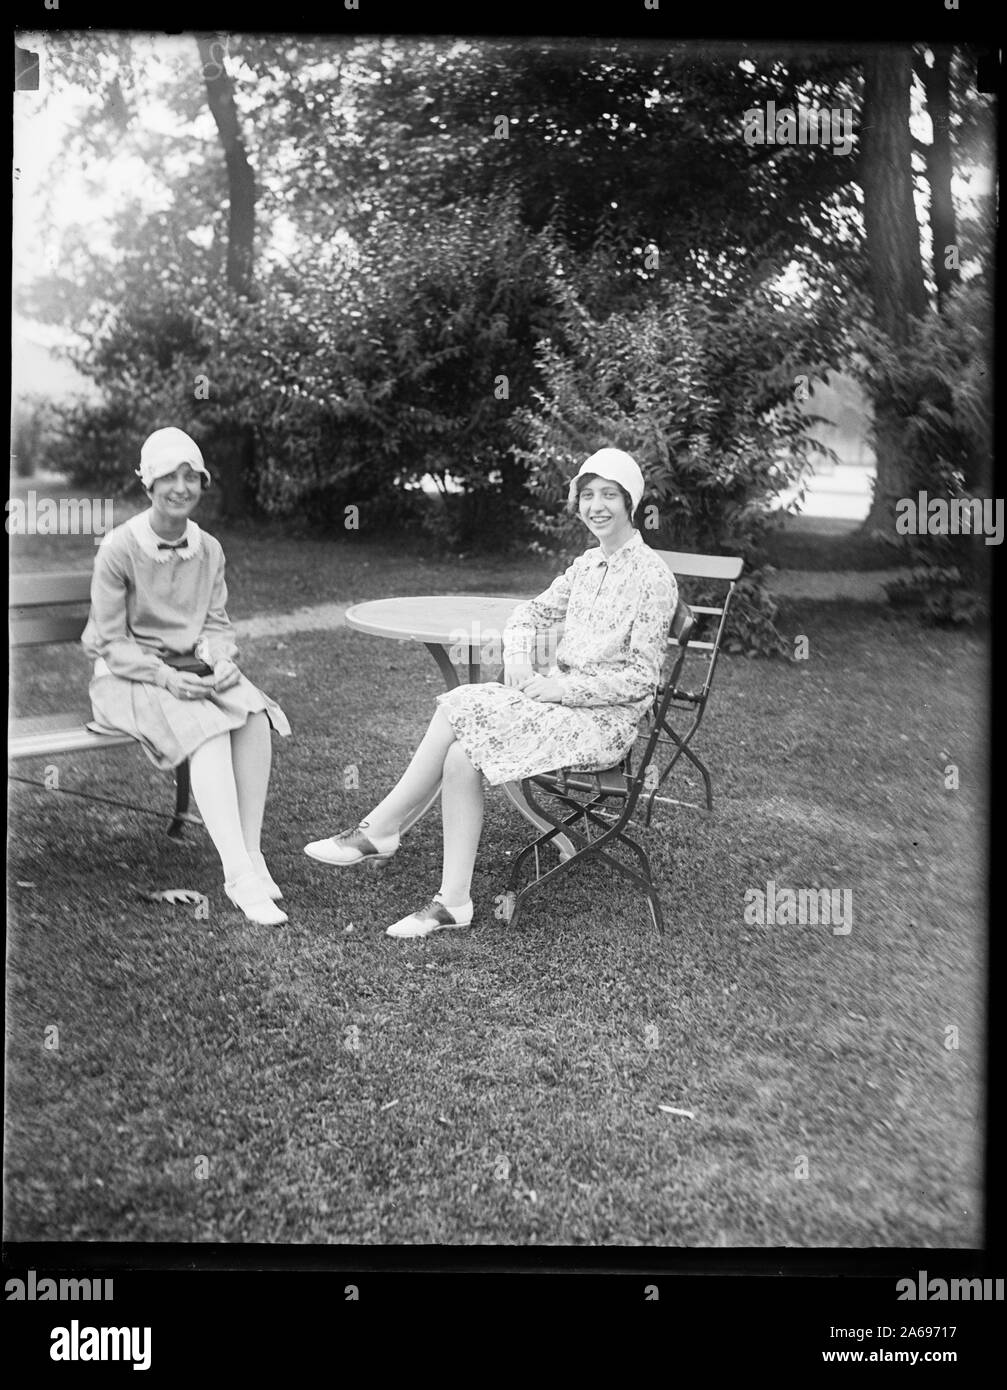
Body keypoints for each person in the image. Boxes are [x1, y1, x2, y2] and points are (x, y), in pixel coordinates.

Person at [304, 448, 678, 939]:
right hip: (556, 707)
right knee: (461, 754)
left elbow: (642, 681)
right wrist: (520, 658)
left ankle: (380, 830)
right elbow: (528, 615)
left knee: (459, 705)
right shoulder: (588, 565)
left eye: (609, 495)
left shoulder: (653, 578)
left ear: (630, 501)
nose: (597, 506)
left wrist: (563, 687)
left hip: (603, 724)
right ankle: (451, 902)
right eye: (587, 495)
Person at [82, 427, 292, 927]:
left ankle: (252, 853)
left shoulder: (209, 548)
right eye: (168, 477)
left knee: (253, 715)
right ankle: (238, 875)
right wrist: (165, 677)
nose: (181, 487)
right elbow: (110, 643)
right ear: (148, 484)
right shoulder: (118, 548)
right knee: (209, 730)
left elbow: (216, 624)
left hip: (189, 670)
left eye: (191, 476)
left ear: (202, 481)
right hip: (126, 678)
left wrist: (220, 658)